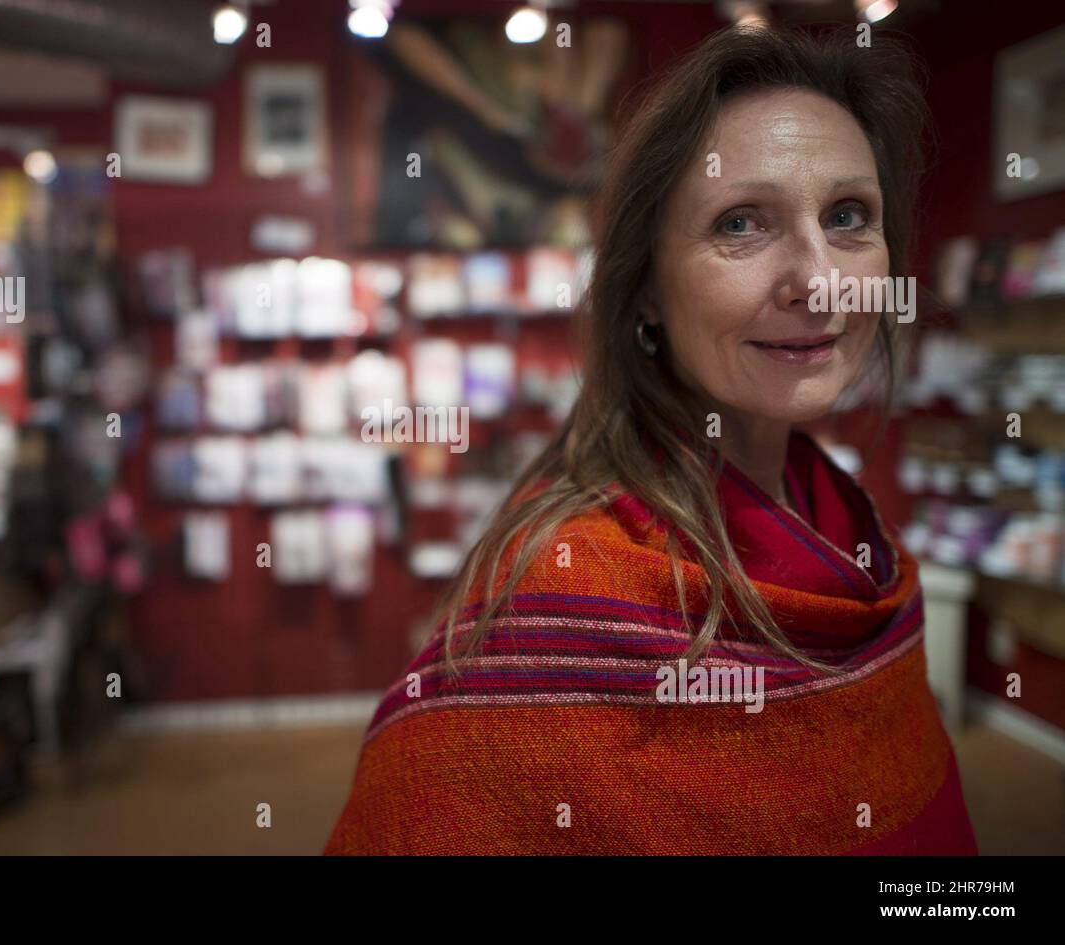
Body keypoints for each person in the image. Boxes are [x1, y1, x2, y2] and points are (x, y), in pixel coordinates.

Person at [325, 23, 979, 855]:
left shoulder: (862, 544)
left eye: (849, 214)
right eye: (743, 223)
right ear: (644, 290)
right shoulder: (553, 604)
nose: (818, 280)